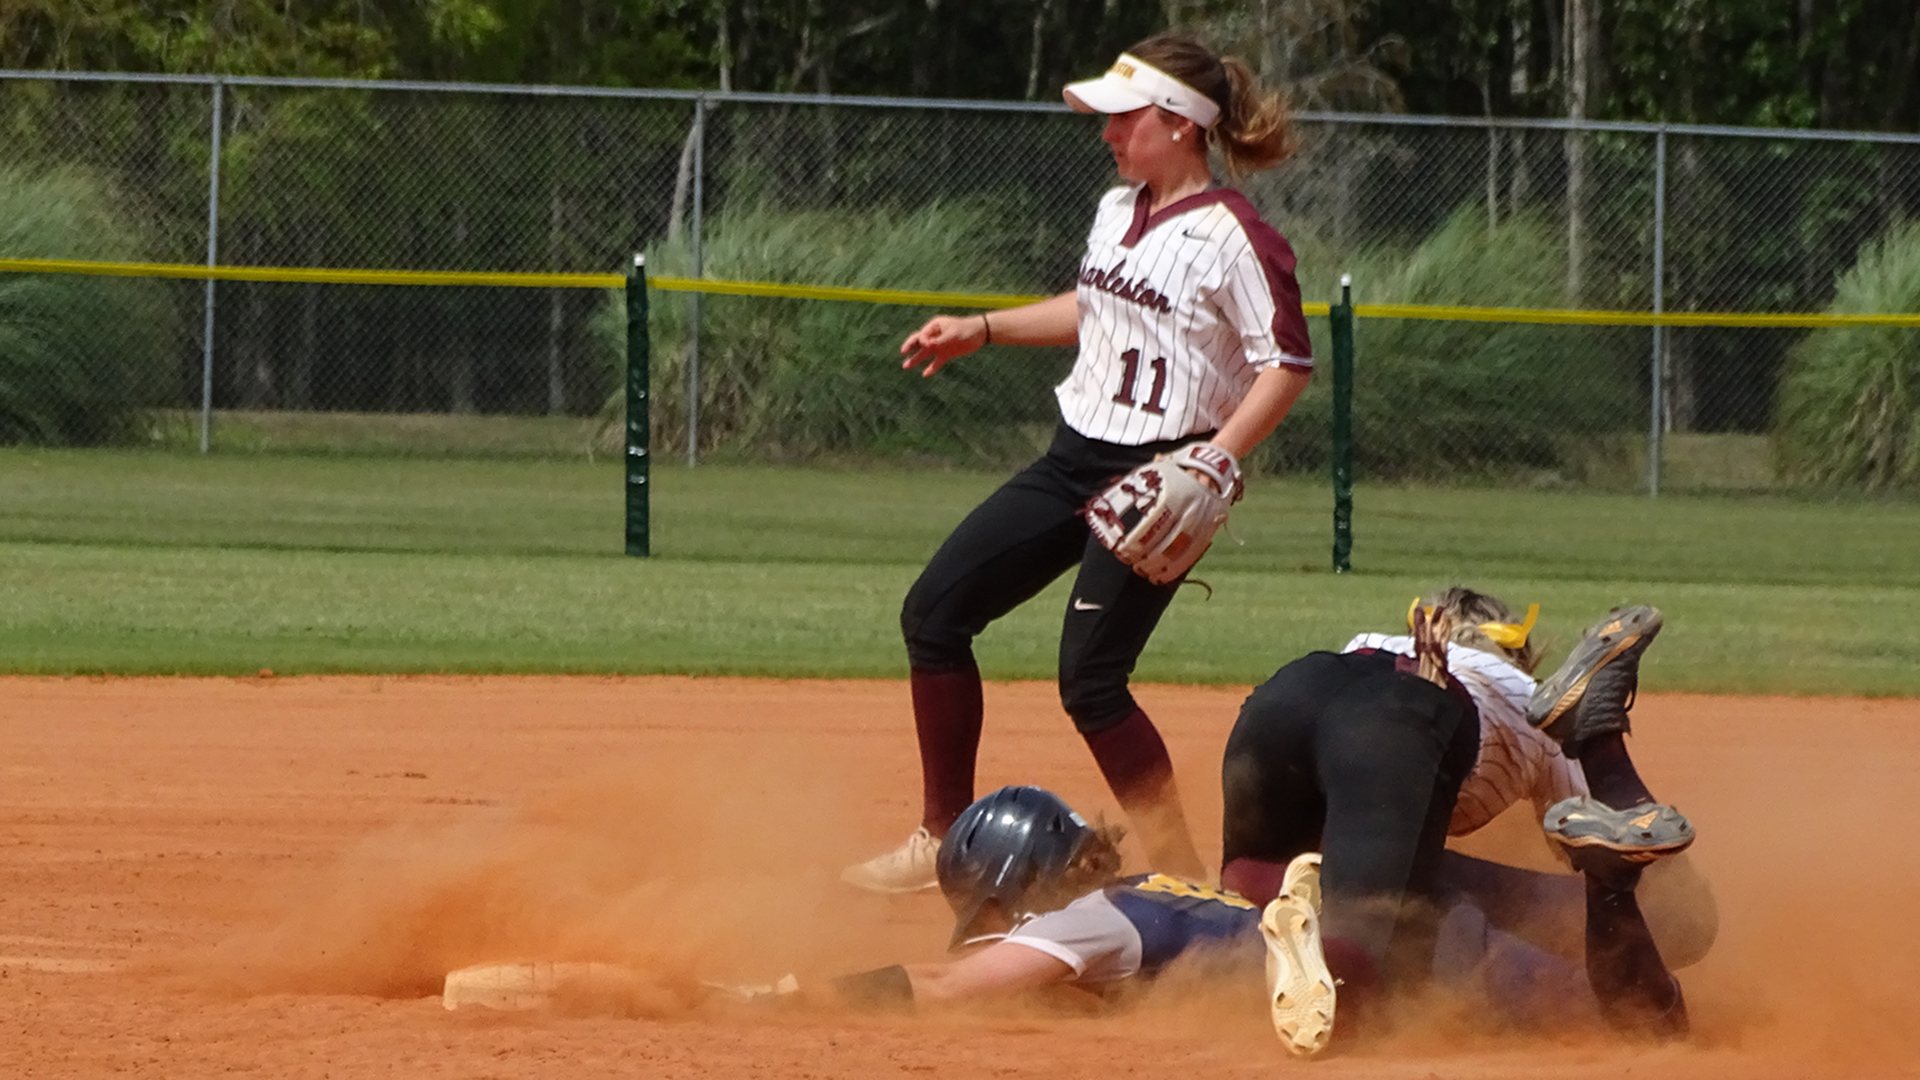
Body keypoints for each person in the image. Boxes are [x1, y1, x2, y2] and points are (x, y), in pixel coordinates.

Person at [842, 32, 1315, 894]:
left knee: (1091, 682)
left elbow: (1286, 362)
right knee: (935, 614)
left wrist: (1215, 458)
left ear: (1178, 124)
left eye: (1122, 117)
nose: (1106, 132)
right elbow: (1094, 311)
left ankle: (1182, 884)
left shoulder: (1234, 236)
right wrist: (982, 329)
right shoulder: (1116, 209)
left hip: (1155, 480)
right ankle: (939, 837)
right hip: (1073, 459)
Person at [1220, 591, 1703, 1054]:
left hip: (1292, 689)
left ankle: (1242, 938)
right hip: (1397, 723)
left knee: (1246, 877)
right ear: (1518, 654)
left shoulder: (1386, 645)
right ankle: (1601, 740)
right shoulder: (1530, 701)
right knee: (1680, 917)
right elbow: (1606, 836)